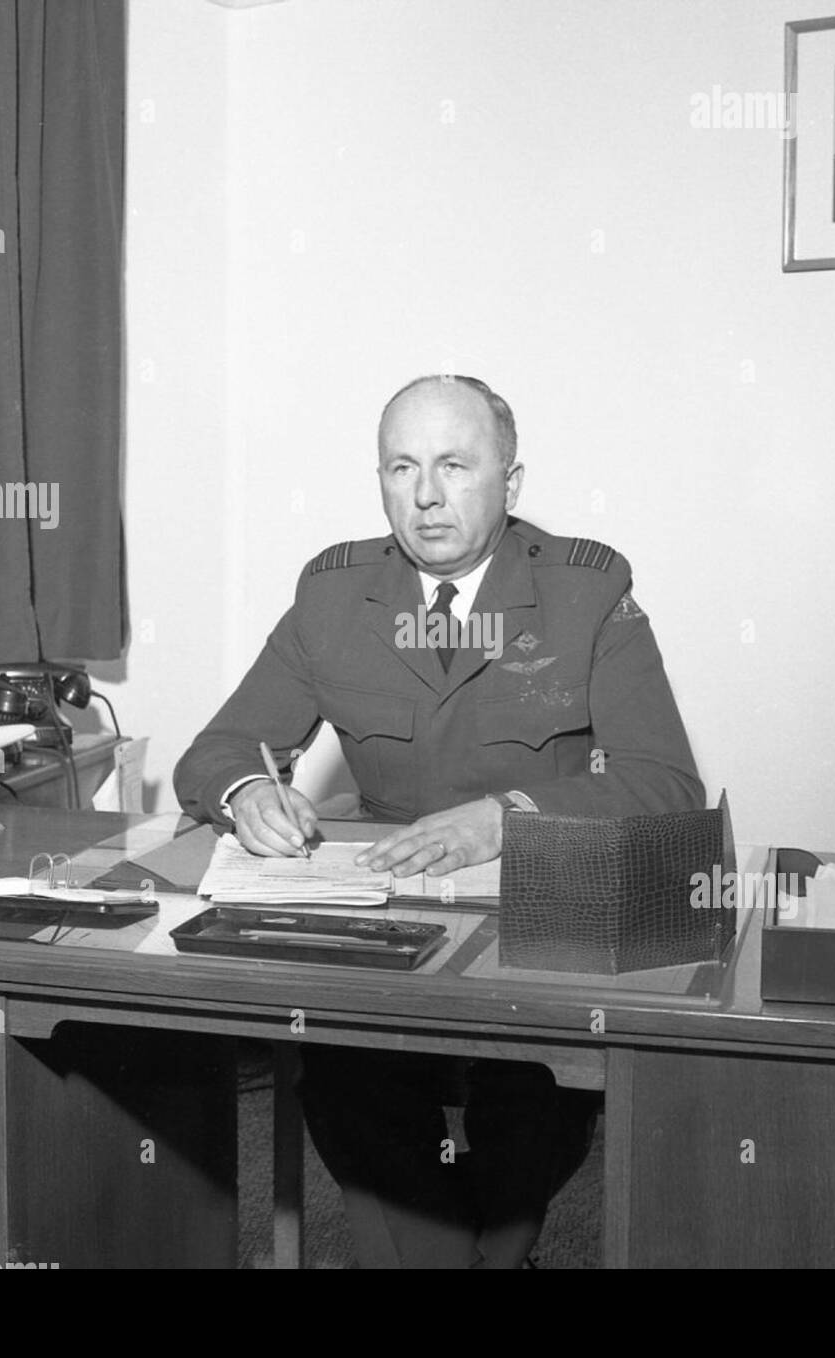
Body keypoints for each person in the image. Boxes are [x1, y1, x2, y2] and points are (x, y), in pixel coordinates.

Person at [174, 374, 704, 1267]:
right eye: (401, 468)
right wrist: (247, 793)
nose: (425, 495)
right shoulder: (334, 597)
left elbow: (665, 788)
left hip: (537, 920)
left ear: (513, 480)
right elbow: (217, 750)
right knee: (342, 1074)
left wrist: (505, 817)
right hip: (385, 925)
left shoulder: (587, 591)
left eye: (455, 466)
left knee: (534, 1097)